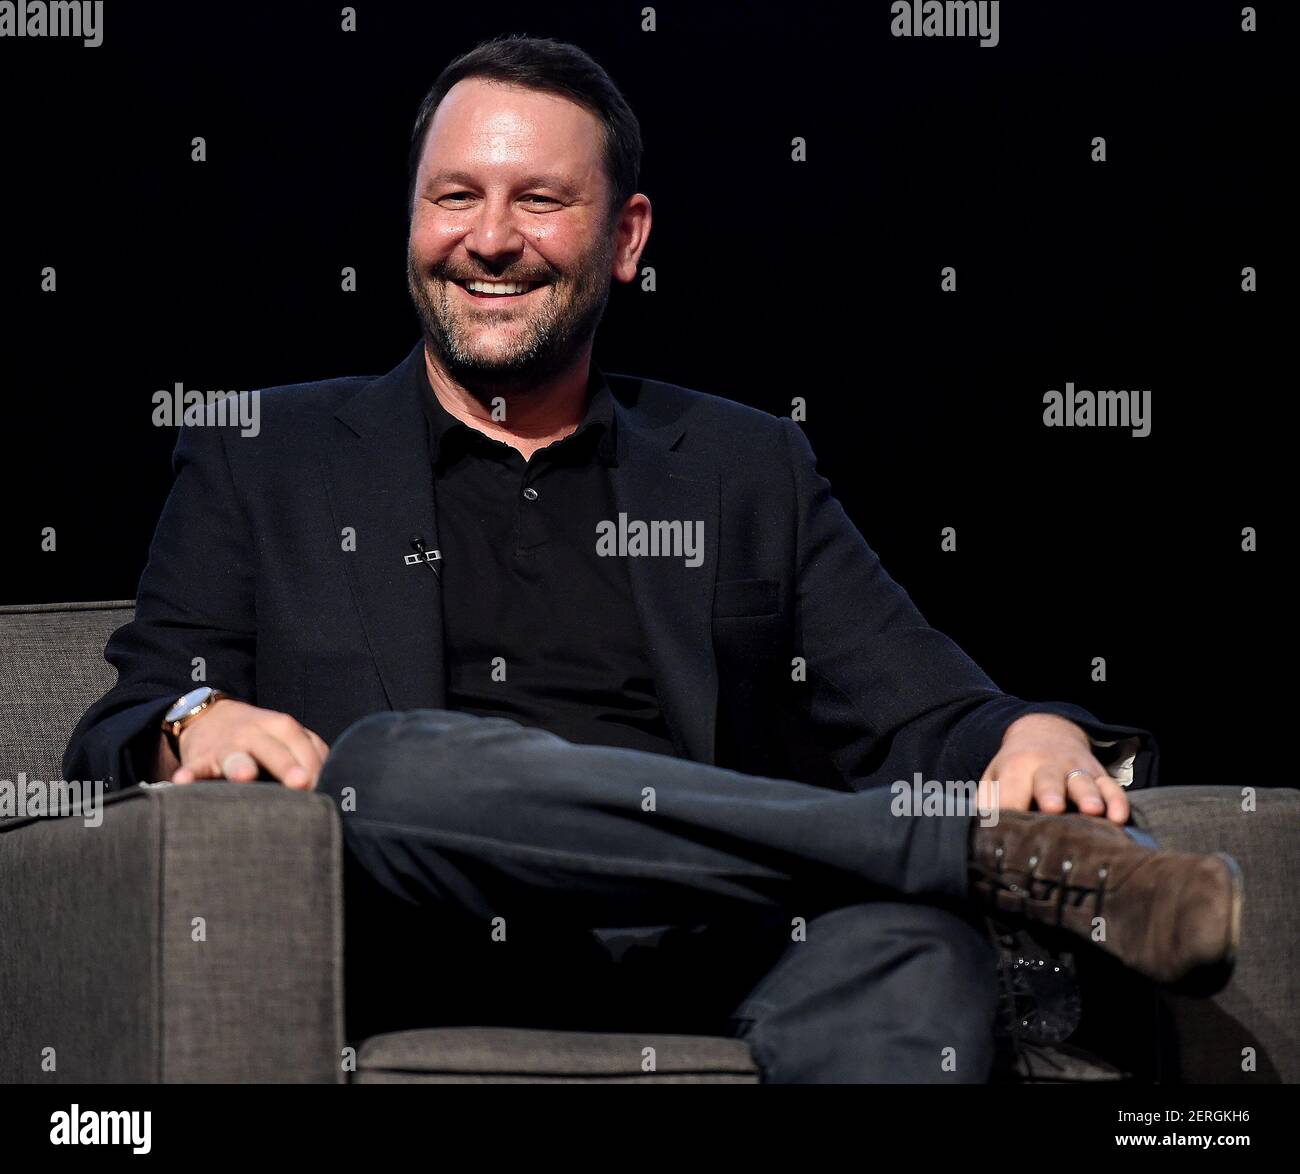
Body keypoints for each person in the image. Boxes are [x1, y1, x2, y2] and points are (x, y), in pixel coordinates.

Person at [64, 34, 1239, 1083]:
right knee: (390, 767)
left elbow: (927, 708)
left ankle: (954, 867)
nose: (487, 239)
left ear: (625, 237)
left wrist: (1028, 733)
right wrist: (192, 719)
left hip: (712, 934)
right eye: (454, 196)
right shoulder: (264, 452)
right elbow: (123, 719)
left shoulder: (741, 465)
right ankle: (973, 857)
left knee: (914, 955)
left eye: (538, 202)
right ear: (411, 216)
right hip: (420, 924)